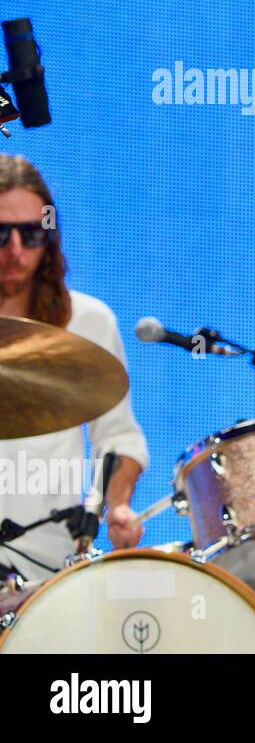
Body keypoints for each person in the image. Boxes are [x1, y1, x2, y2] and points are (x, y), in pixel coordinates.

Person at [0, 155, 148, 584]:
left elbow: (119, 439)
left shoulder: (88, 320)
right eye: (0, 234)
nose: (13, 251)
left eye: (30, 234)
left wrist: (114, 503)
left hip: (47, 576)